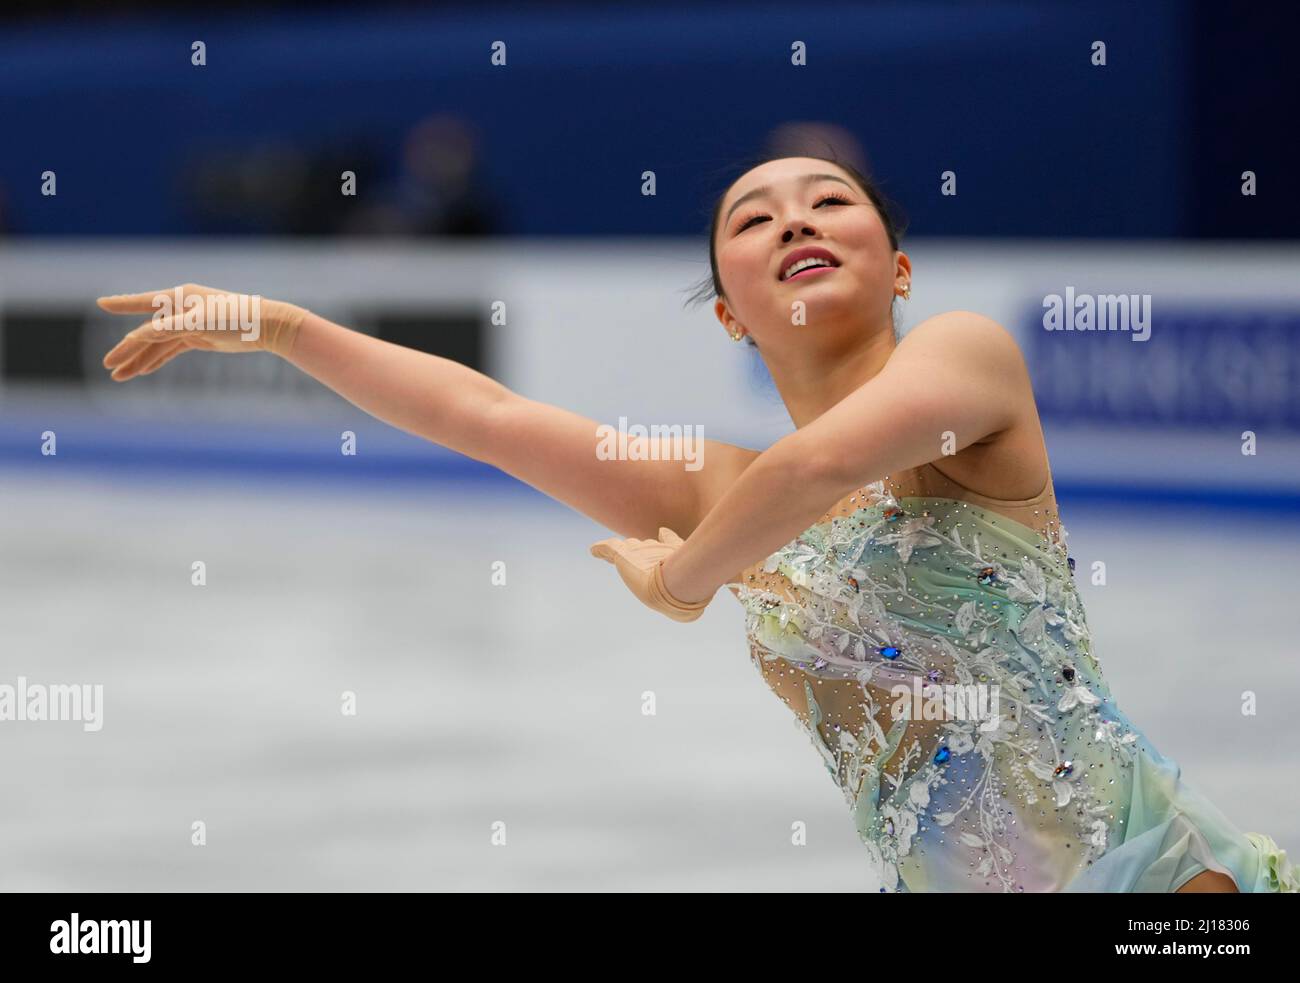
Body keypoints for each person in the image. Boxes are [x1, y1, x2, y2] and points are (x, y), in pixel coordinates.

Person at [97, 154, 1297, 893]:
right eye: (752, 217)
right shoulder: (714, 483)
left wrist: (683, 583)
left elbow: (826, 461)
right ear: (730, 314)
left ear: (899, 269)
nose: (794, 218)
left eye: (829, 199)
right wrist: (292, 330)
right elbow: (490, 414)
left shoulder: (964, 362)